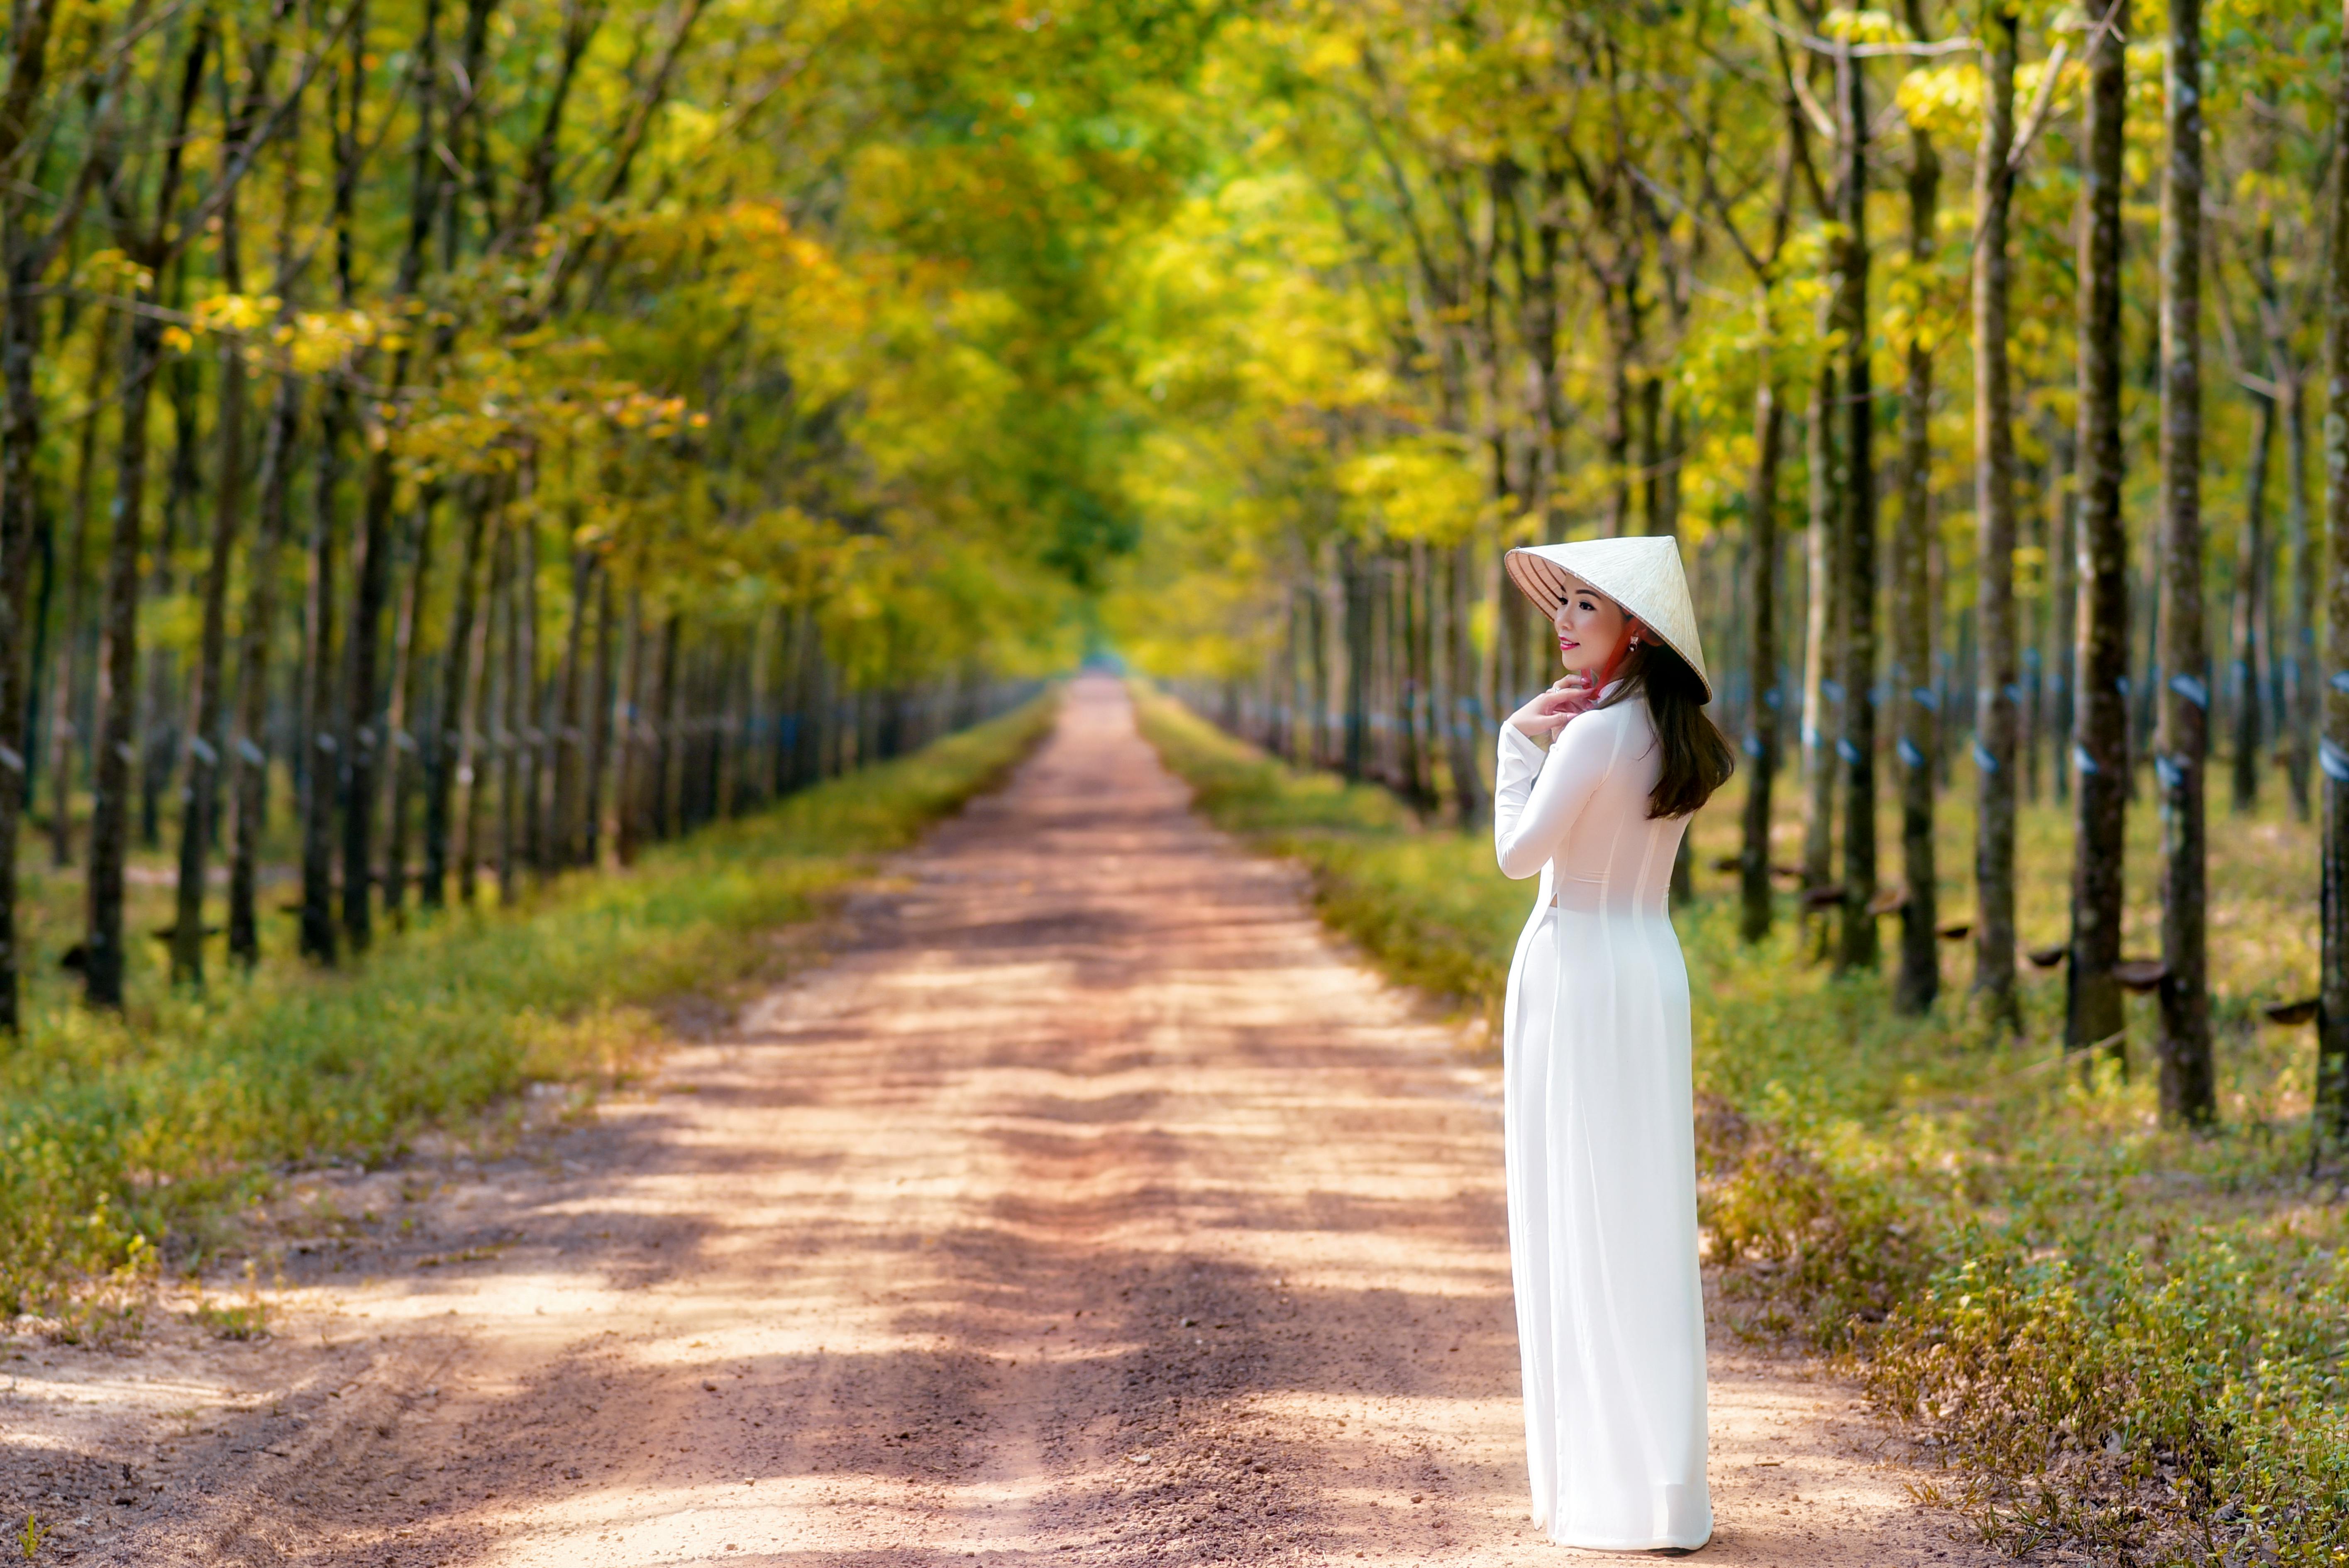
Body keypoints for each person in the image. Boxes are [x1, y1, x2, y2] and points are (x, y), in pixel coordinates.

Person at [1492, 535, 1734, 1552]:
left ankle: (1600, 1485)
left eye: (1585, 606)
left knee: (1574, 1207)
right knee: (1641, 1210)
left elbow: (1517, 857)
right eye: (1564, 603)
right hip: (1651, 970)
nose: (1562, 620)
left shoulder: (1588, 737)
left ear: (1635, 627)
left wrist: (1515, 741)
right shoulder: (1677, 739)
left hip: (1576, 969)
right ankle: (1666, 1490)